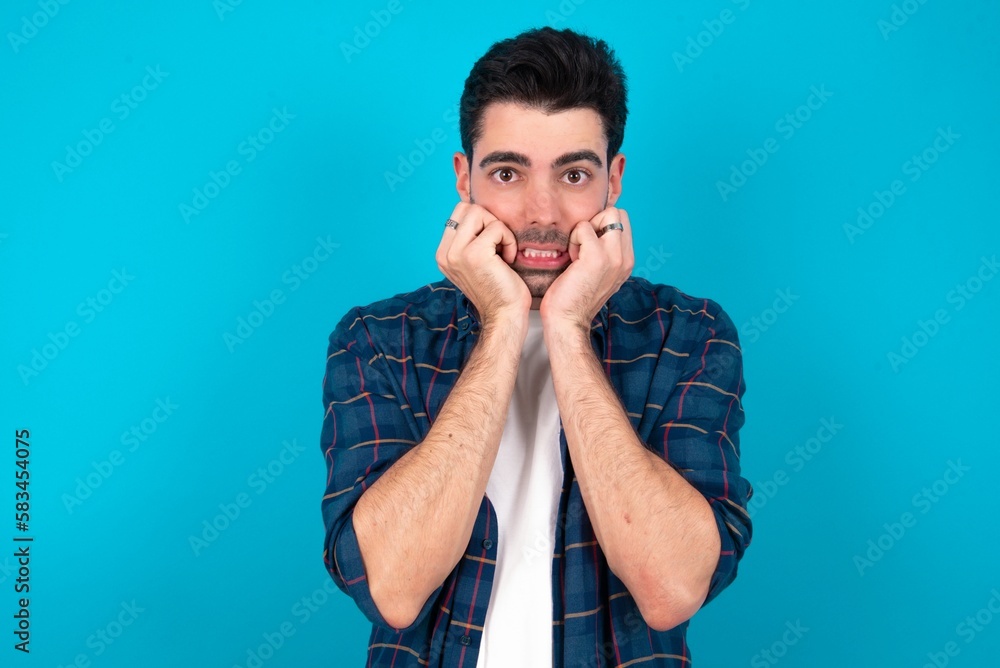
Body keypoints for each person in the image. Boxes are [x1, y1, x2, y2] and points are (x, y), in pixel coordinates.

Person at [320, 26, 752, 667]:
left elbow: (671, 589)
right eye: (507, 172)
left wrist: (569, 327)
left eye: (574, 173)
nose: (542, 212)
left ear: (615, 179)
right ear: (464, 179)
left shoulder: (689, 335)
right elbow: (392, 587)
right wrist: (502, 321)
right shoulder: (379, 341)